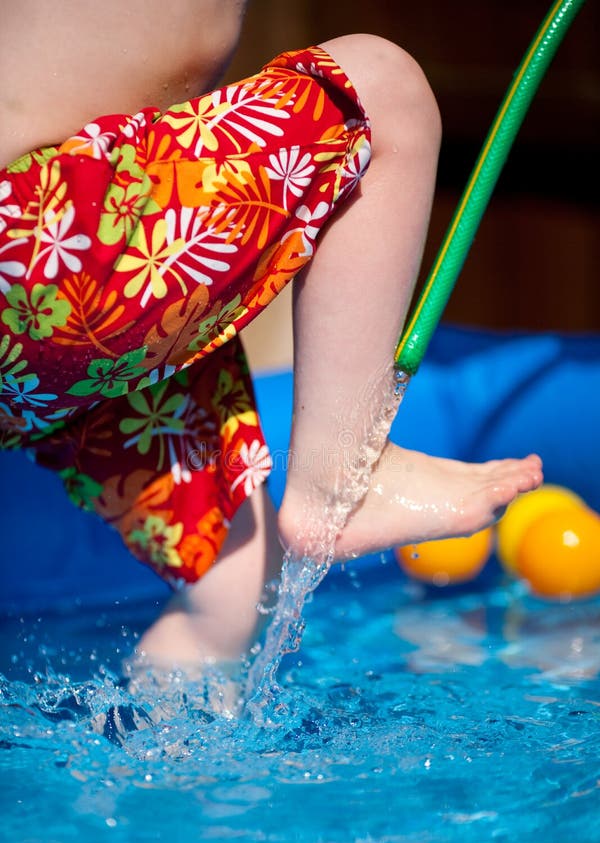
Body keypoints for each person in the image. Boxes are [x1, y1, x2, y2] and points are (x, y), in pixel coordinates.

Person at [0, 1, 542, 672]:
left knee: (237, 585)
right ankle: (344, 475)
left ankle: (167, 742)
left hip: (73, 298)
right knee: (381, 89)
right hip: (56, 245)